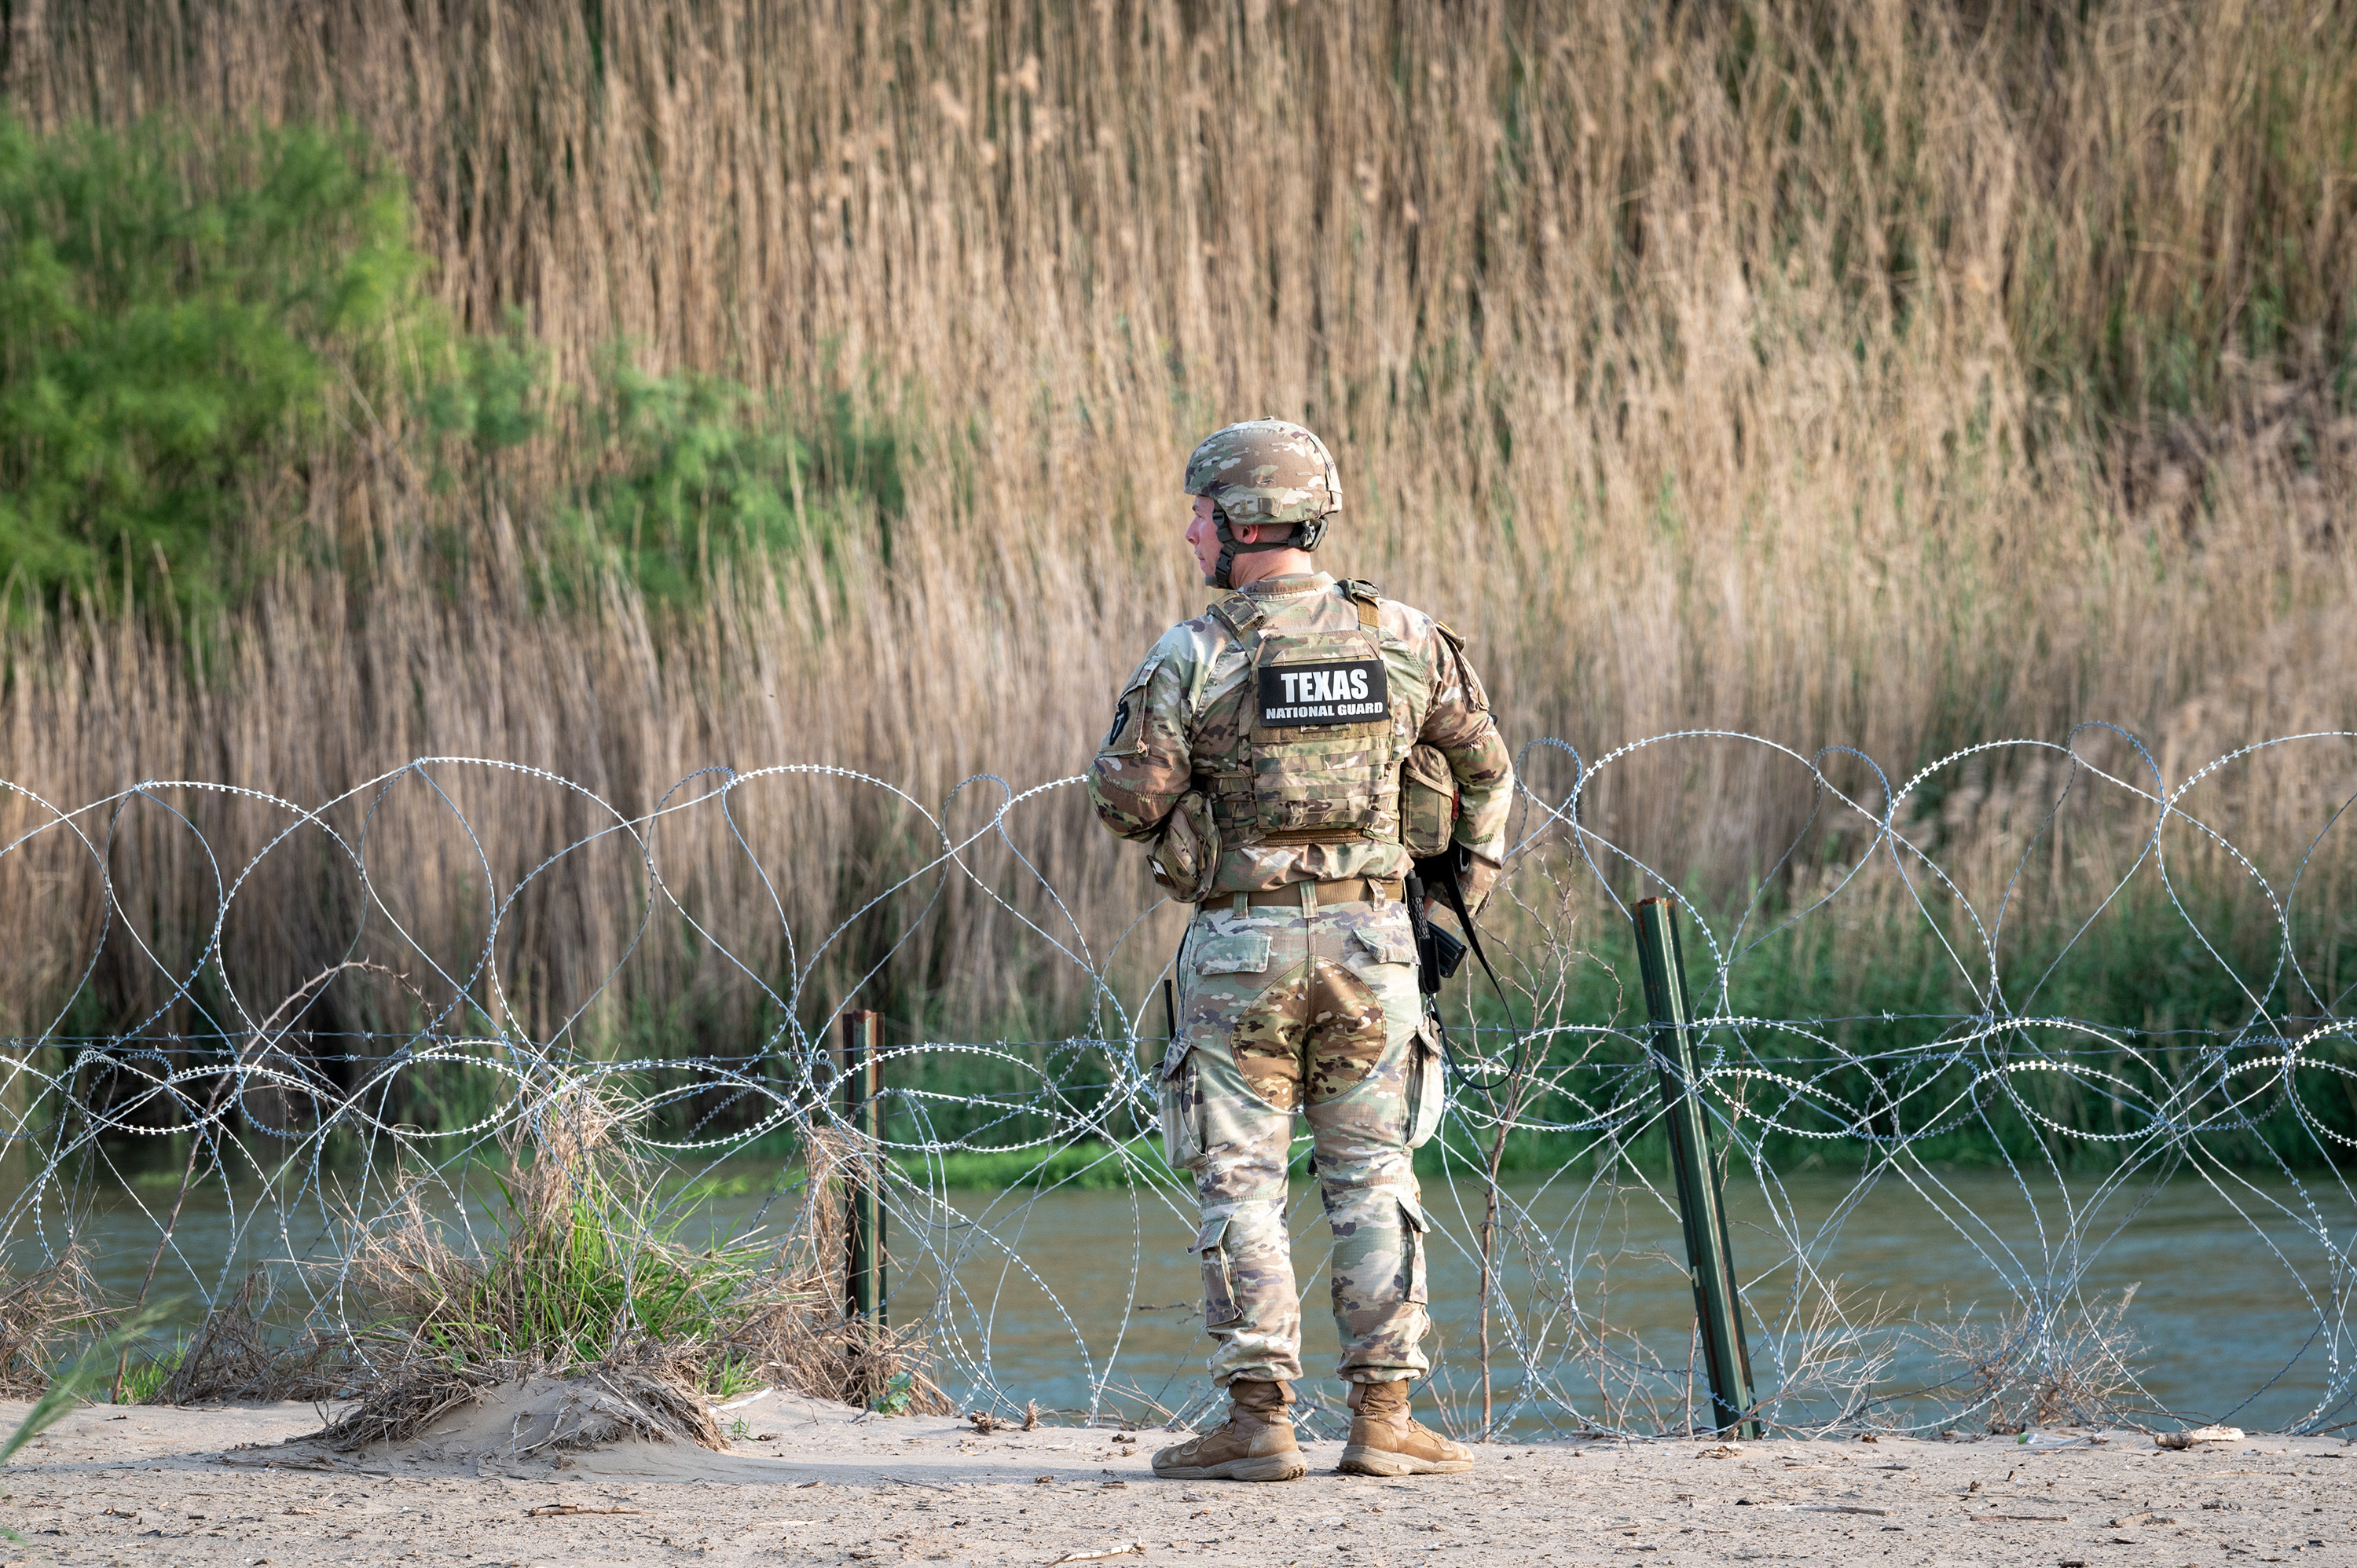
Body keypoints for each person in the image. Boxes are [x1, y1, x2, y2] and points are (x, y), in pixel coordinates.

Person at [1087, 419, 1514, 1482]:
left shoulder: (1197, 652)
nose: (1189, 531)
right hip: (1375, 944)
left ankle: (1259, 1422)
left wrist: (1182, 809)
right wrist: (1462, 890)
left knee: (1240, 1185)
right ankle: (1384, 1419)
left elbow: (1129, 799)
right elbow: (1488, 773)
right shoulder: (1405, 636)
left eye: (1200, 514)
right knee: (1374, 1176)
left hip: (1242, 947)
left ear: (1241, 522)